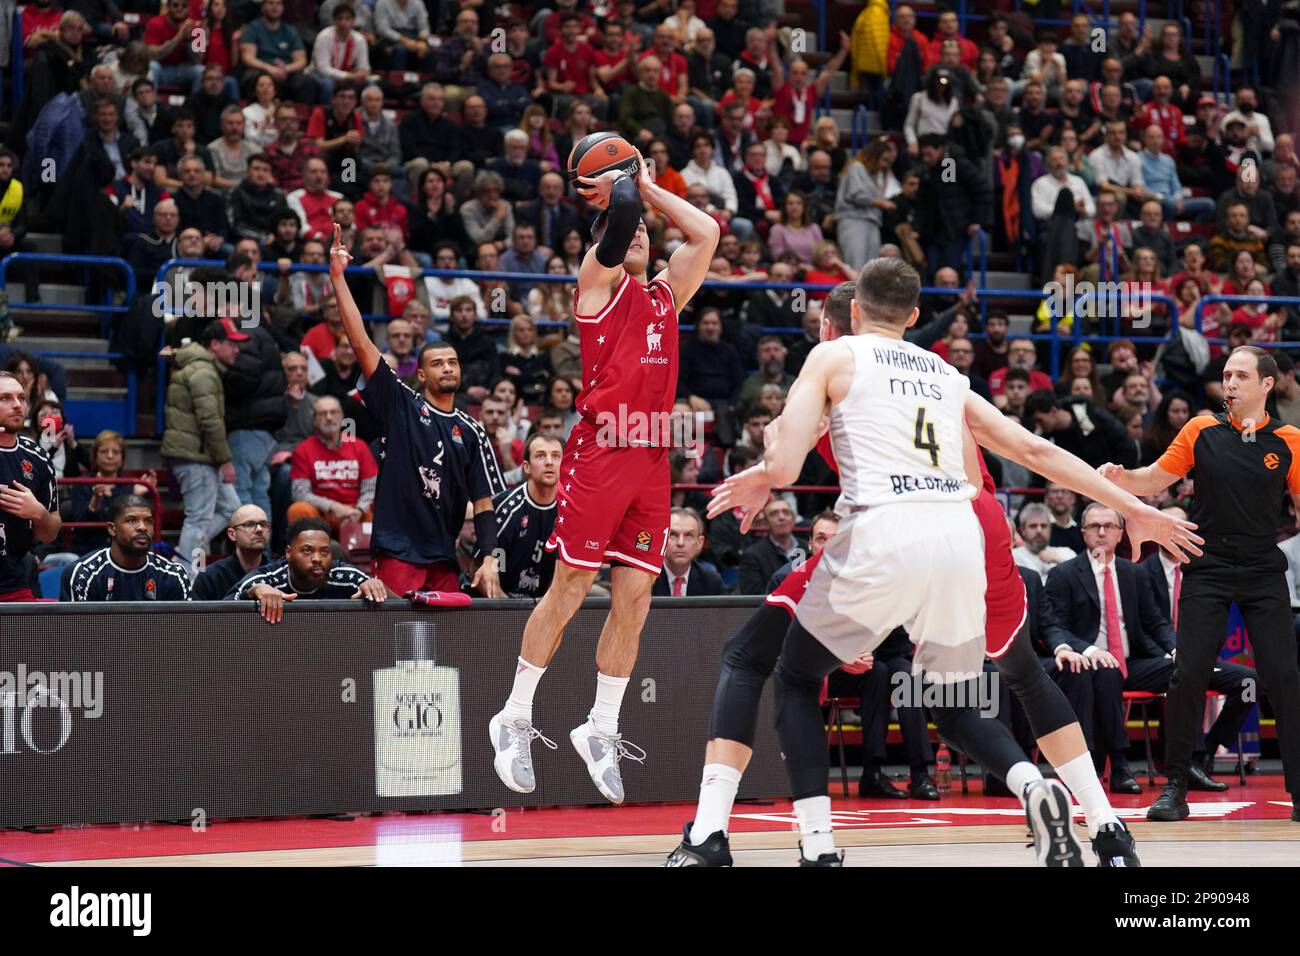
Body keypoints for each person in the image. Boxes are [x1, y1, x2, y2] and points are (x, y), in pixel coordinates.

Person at [668, 267, 1196, 866]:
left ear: (836, 323)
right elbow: (1034, 450)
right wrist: (1136, 509)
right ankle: (1088, 817)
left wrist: (766, 474)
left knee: (774, 667)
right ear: (916, 317)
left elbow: (786, 463)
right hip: (967, 535)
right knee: (977, 691)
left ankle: (793, 842)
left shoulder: (833, 361)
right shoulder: (944, 375)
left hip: (886, 531)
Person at [488, 143, 718, 805]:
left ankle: (601, 726)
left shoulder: (669, 295)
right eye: (633, 232)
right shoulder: (596, 282)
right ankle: (517, 714)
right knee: (570, 587)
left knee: (635, 602)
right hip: (599, 451)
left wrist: (649, 186)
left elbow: (708, 233)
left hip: (651, 459)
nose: (642, 233)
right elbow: (618, 219)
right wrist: (628, 190)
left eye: (649, 230)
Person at [1098, 347, 1300, 823]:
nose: (1229, 383)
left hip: (1261, 565)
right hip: (1206, 562)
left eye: (1241, 376)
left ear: (1266, 385)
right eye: (1226, 375)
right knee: (1188, 674)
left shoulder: (1290, 439)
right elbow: (1152, 479)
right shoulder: (1200, 430)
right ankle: (1175, 788)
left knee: (1285, 678)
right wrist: (1121, 477)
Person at [328, 225, 505, 598]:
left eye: (452, 362)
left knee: (443, 651)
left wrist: (489, 557)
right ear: (421, 374)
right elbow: (360, 342)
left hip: (444, 555)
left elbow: (485, 504)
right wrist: (338, 279)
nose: (447, 368)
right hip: (398, 549)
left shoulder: (472, 430)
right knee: (395, 647)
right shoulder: (400, 404)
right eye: (438, 363)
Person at [1045, 502, 1253, 794]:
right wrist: (1089, 651)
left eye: (1109, 526)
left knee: (1190, 670)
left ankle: (1190, 760)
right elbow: (1057, 627)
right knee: (1106, 670)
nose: (1102, 532)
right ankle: (1119, 765)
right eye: (1094, 526)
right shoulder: (1063, 575)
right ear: (1083, 533)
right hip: (1093, 664)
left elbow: (1156, 624)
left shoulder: (1134, 574)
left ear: (1121, 534)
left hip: (1136, 661)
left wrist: (1177, 650)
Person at [162, 320, 244, 574]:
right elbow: (209, 420)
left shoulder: (199, 367)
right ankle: (187, 576)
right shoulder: (203, 371)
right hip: (197, 455)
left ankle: (185, 555)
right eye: (232, 344)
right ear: (216, 345)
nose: (237, 350)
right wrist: (225, 460)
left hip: (196, 454)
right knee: (198, 519)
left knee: (232, 510)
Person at [226, 517, 388, 623]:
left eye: (324, 551)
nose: (317, 558)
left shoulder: (344, 574)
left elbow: (397, 606)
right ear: (288, 553)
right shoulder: (271, 577)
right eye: (307, 550)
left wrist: (375, 587)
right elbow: (223, 607)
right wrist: (255, 590)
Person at [0, 372, 62, 601]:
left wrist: (39, 513)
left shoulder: (38, 456)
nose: (17, 405)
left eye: (21, 398)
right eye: (5, 398)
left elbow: (49, 533)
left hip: (13, 585)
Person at [64, 496, 190, 601]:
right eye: (131, 520)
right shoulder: (85, 573)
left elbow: (181, 629)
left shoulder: (173, 574)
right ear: (112, 529)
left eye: (148, 521)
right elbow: (77, 630)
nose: (143, 527)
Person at [287, 395, 378, 530]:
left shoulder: (359, 446)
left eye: (333, 412)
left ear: (342, 417)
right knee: (298, 509)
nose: (329, 417)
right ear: (314, 420)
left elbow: (371, 488)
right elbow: (300, 493)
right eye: (323, 414)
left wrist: (359, 509)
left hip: (354, 511)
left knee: (374, 510)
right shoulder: (303, 449)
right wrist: (333, 506)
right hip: (321, 512)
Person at [491, 433, 562, 599]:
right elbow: (481, 568)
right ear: (526, 467)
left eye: (556, 456)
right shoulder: (507, 507)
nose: (549, 462)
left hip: (546, 604)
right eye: (540, 456)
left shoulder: (570, 511)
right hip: (501, 605)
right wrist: (511, 613)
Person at [192, 503, 272, 601]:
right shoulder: (210, 577)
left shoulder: (276, 573)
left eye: (264, 524)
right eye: (249, 524)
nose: (259, 530)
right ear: (232, 534)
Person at [654, 506, 723, 597]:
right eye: (673, 535)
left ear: (700, 543)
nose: (680, 543)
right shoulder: (644, 579)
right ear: (661, 539)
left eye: (689, 535)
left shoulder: (712, 581)